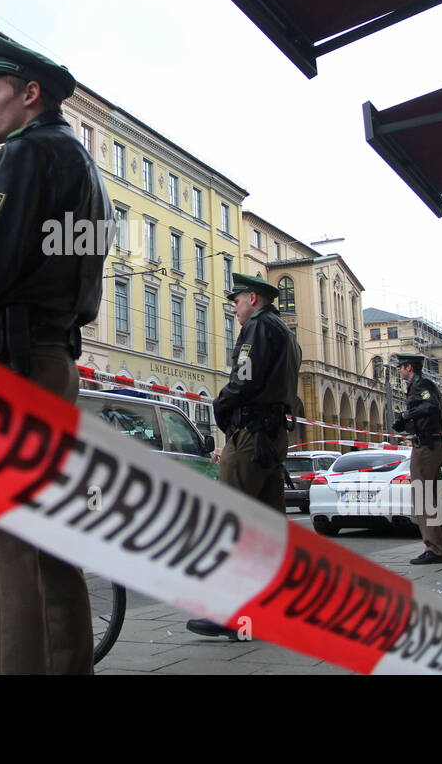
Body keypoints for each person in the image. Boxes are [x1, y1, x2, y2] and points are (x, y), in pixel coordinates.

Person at [0, 34, 110, 674]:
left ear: (29, 94)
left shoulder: (25, 155)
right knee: (50, 546)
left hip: (9, 367)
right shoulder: (83, 165)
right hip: (53, 361)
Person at [188, 273, 302, 639]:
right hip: (273, 435)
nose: (234, 309)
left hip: (251, 435)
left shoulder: (257, 328)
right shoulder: (286, 333)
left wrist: (222, 402)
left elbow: (245, 378)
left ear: (253, 298)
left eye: (236, 301)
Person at [393, 354, 442, 564]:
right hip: (430, 443)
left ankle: (434, 548)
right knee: (433, 496)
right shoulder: (419, 385)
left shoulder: (421, 384)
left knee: (424, 497)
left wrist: (408, 416)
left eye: (401, 367)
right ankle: (441, 548)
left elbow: (430, 406)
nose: (399, 371)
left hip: (426, 445)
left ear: (409, 367)